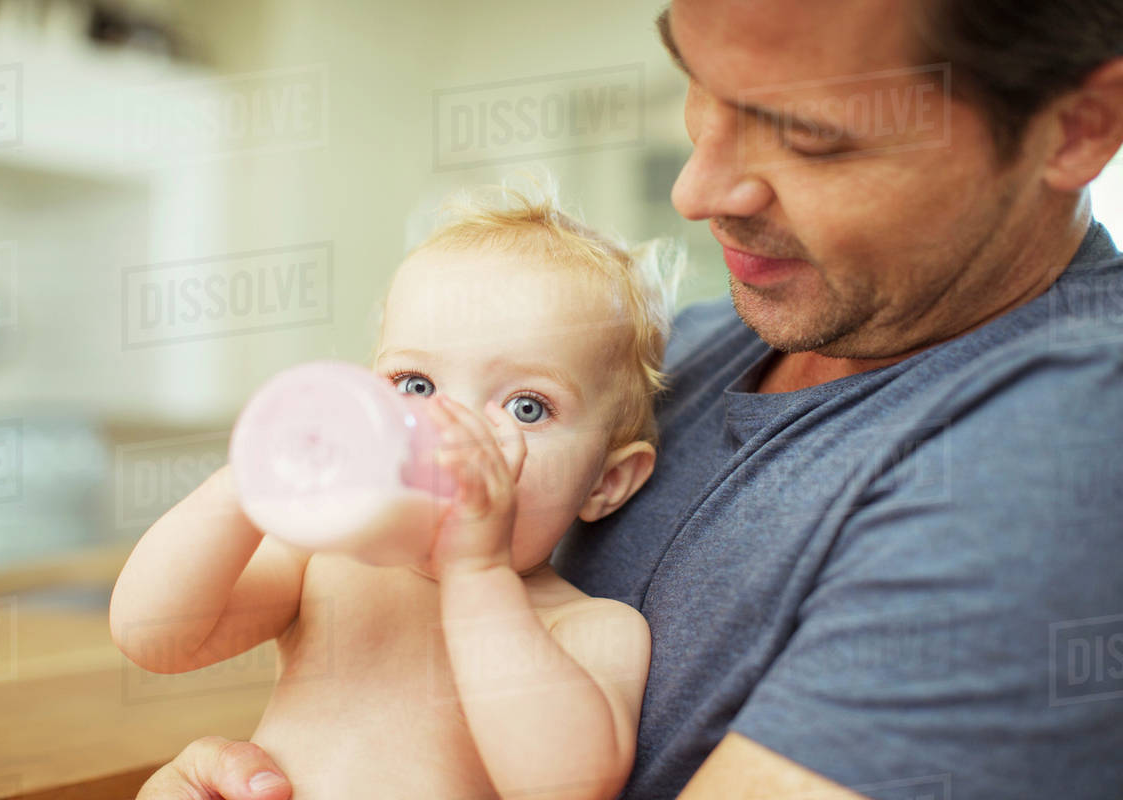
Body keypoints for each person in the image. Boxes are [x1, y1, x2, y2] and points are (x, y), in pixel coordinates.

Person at [138, 0, 1123, 797]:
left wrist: (481, 573)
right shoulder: (697, 348)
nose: (696, 188)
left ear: (1076, 129)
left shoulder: (1065, 441)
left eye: (808, 135)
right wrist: (259, 463)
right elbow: (160, 632)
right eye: (698, 83)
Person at [112, 184, 683, 800]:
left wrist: (478, 571)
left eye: (526, 406)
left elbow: (565, 785)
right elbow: (157, 637)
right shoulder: (325, 564)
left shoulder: (587, 629)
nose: (447, 428)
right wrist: (249, 480)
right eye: (415, 385)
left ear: (605, 482)